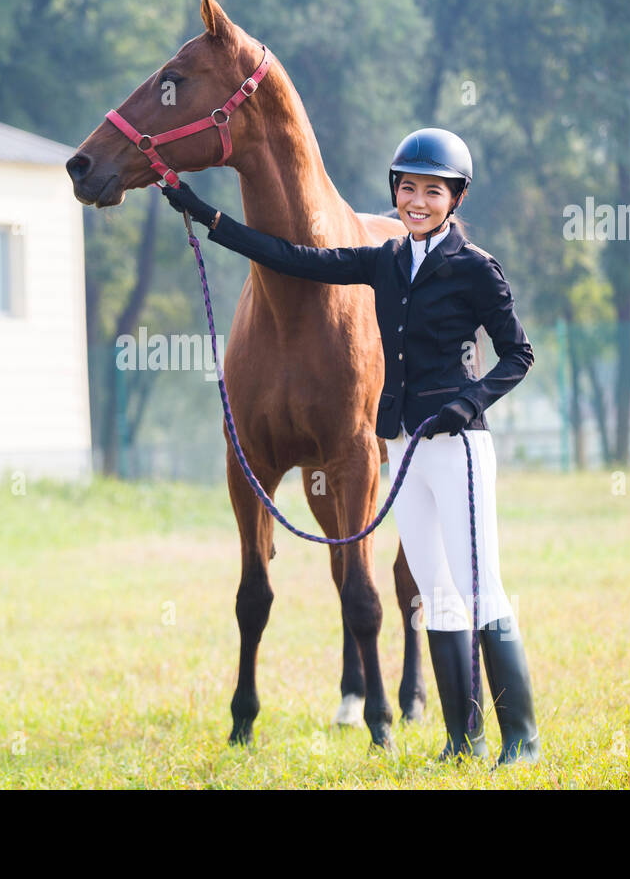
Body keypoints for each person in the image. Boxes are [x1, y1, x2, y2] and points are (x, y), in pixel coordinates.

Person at [160, 127, 540, 765]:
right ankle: (462, 738)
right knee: (438, 591)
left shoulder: (475, 268)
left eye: (432, 192)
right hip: (405, 449)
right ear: (396, 192)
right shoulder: (385, 259)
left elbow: (518, 354)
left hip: (458, 447)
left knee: (481, 588)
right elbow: (293, 258)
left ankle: (521, 741)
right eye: (408, 189)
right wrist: (204, 214)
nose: (417, 202)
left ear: (456, 198)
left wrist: (469, 401)